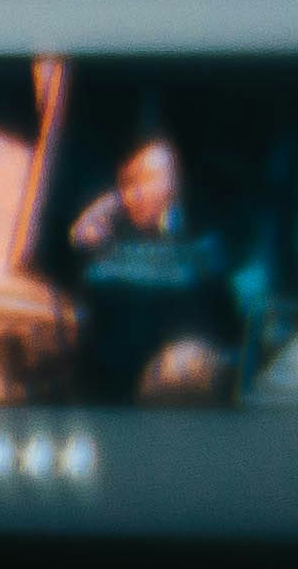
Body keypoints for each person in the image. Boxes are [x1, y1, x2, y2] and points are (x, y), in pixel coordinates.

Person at [53, 117, 256, 407]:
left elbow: (231, 335)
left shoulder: (202, 252)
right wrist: (85, 233)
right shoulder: (103, 250)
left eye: (147, 179)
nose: (133, 194)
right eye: (126, 183)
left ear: (174, 182)